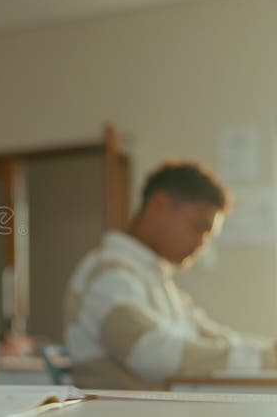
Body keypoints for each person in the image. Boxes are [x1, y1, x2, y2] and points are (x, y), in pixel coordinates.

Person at [64, 160, 277, 390]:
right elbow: (151, 353)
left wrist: (268, 352)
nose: (201, 244)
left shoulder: (153, 278)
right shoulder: (108, 273)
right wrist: (264, 358)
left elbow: (207, 334)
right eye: (197, 228)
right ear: (160, 204)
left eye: (208, 236)